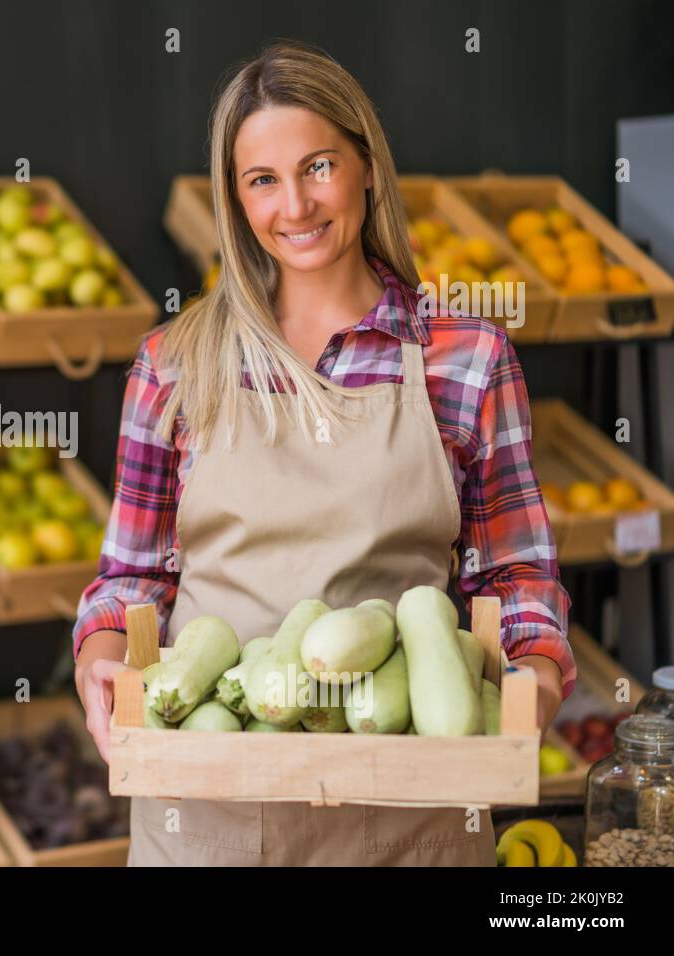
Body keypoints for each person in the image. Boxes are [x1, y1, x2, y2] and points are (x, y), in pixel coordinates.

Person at [73, 41, 574, 867]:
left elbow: (514, 575)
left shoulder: (465, 357)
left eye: (318, 166)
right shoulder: (173, 365)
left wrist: (534, 685)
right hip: (208, 809)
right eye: (261, 179)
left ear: (367, 168)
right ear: (235, 199)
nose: (296, 205)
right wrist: (100, 663)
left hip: (410, 802)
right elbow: (133, 578)